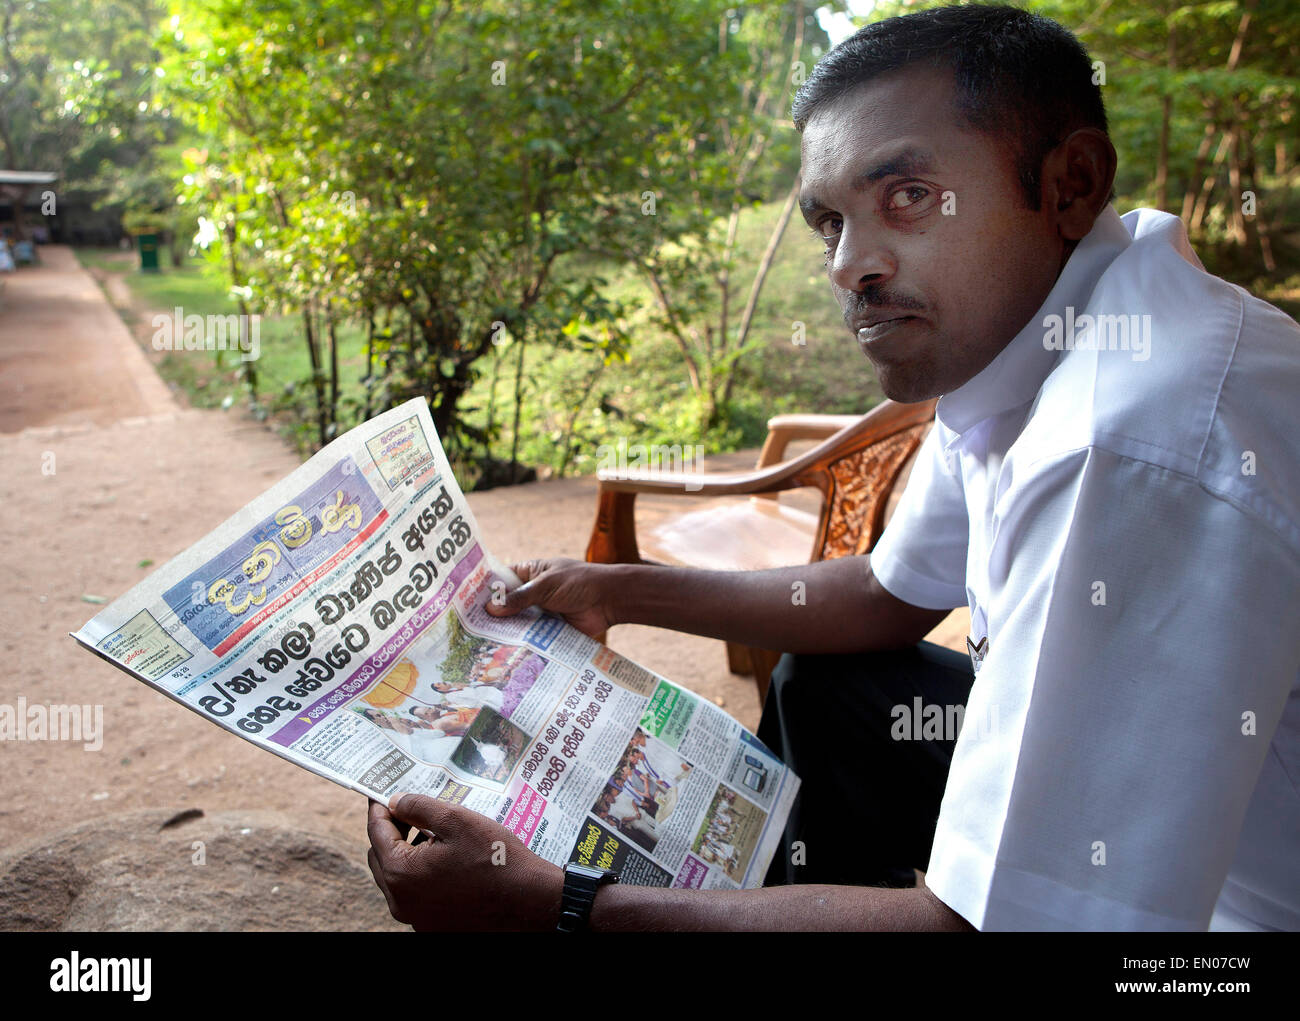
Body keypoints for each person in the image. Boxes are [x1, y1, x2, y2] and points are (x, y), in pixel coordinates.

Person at [366, 4, 1298, 932]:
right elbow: (881, 593)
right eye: (828, 224)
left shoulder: (1129, 440)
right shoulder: (1034, 346)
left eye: (907, 197)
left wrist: (554, 906)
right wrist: (614, 588)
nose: (852, 265)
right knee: (827, 686)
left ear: (1071, 183)